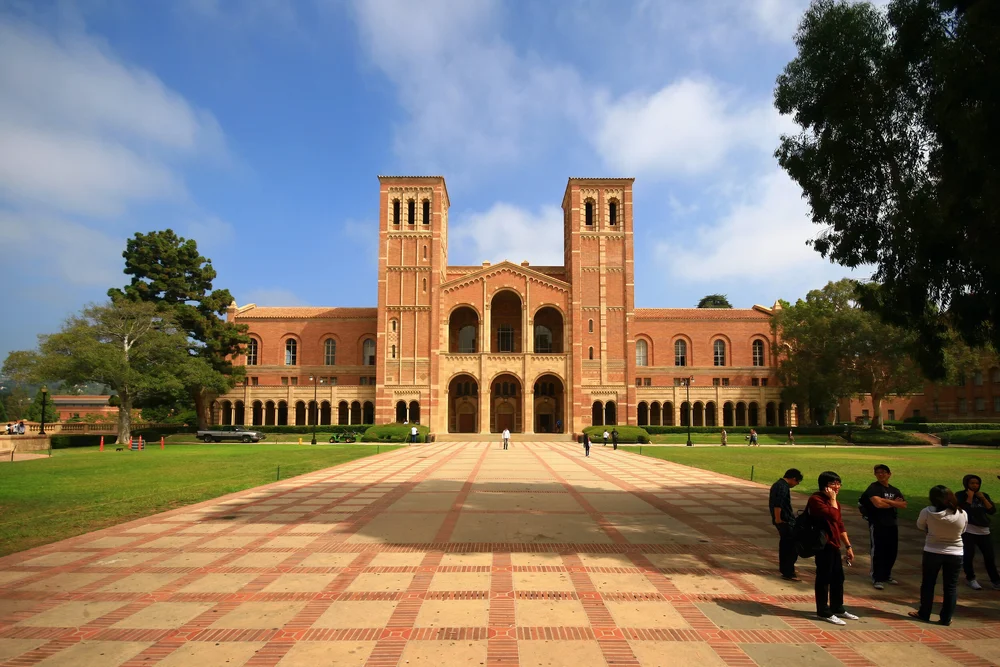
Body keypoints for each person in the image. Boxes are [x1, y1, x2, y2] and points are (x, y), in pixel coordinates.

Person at [806, 471, 859, 625]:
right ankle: (823, 610)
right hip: (823, 545)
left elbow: (840, 524)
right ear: (824, 486)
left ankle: (837, 607)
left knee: (838, 577)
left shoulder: (834, 501)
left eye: (838, 483)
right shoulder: (816, 500)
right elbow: (833, 516)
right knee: (824, 577)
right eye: (833, 484)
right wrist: (833, 499)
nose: (836, 487)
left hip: (834, 545)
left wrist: (848, 546)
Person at [910, 485, 968, 625]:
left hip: (932, 550)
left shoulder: (927, 512)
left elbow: (920, 525)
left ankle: (924, 613)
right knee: (950, 586)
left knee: (928, 584)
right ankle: (946, 618)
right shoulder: (962, 513)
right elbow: (963, 530)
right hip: (955, 552)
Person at [859, 464, 907, 589]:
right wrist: (894, 503)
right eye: (878, 472)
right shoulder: (873, 488)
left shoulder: (894, 490)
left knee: (891, 551)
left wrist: (888, 502)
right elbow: (878, 504)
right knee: (878, 550)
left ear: (889, 474)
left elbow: (903, 505)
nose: (881, 474)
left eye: (883, 472)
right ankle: (877, 577)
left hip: (892, 523)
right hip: (877, 523)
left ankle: (887, 575)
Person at [958, 474, 999, 590]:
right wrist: (969, 498)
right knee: (969, 556)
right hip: (969, 530)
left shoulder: (983, 495)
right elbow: (962, 510)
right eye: (972, 483)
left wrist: (983, 498)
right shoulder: (961, 495)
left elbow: (991, 511)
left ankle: (996, 580)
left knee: (989, 557)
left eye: (977, 483)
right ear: (966, 484)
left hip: (984, 531)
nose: (975, 485)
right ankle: (970, 578)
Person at [769, 468, 804, 581]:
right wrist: (778, 519)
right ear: (793, 479)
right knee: (790, 547)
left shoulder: (777, 484)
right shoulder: (783, 487)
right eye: (797, 482)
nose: (796, 484)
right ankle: (789, 571)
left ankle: (786, 569)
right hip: (785, 521)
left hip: (783, 520)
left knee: (785, 545)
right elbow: (778, 504)